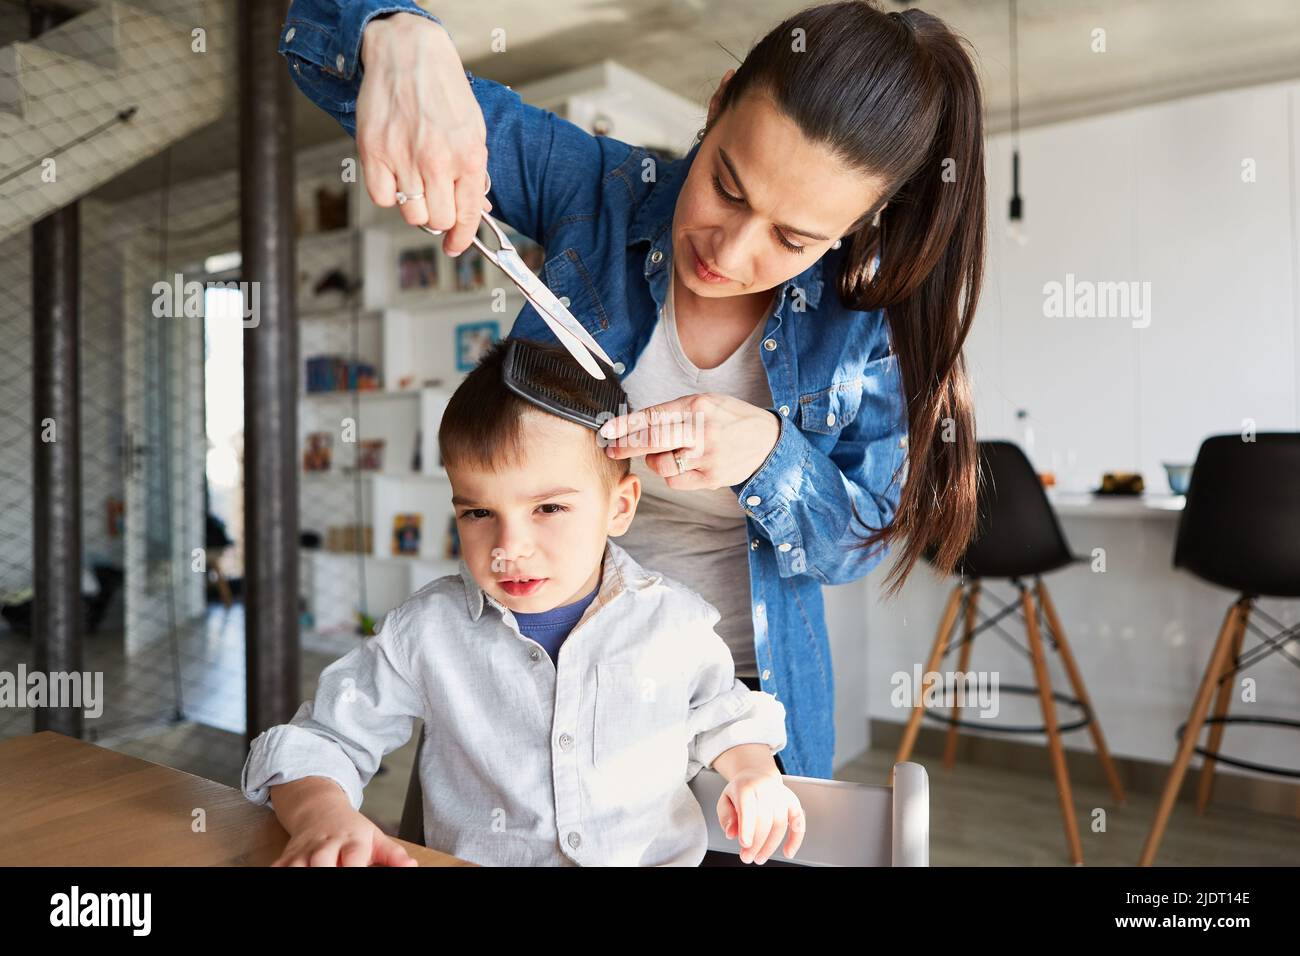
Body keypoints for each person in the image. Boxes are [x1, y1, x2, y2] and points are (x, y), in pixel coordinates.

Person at [275, 0, 985, 778]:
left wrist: (769, 458)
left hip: (736, 706)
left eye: (793, 238)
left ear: (857, 224)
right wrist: (395, 35)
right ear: (716, 105)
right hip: (530, 674)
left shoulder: (861, 327)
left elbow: (856, 543)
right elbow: (317, 48)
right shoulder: (595, 193)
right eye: (729, 185)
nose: (732, 250)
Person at [241, 340, 804, 867]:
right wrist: (324, 816)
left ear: (620, 506)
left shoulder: (675, 624)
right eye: (479, 513)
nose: (510, 548)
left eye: (549, 509)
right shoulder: (425, 632)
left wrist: (753, 771)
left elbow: (727, 716)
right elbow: (320, 741)